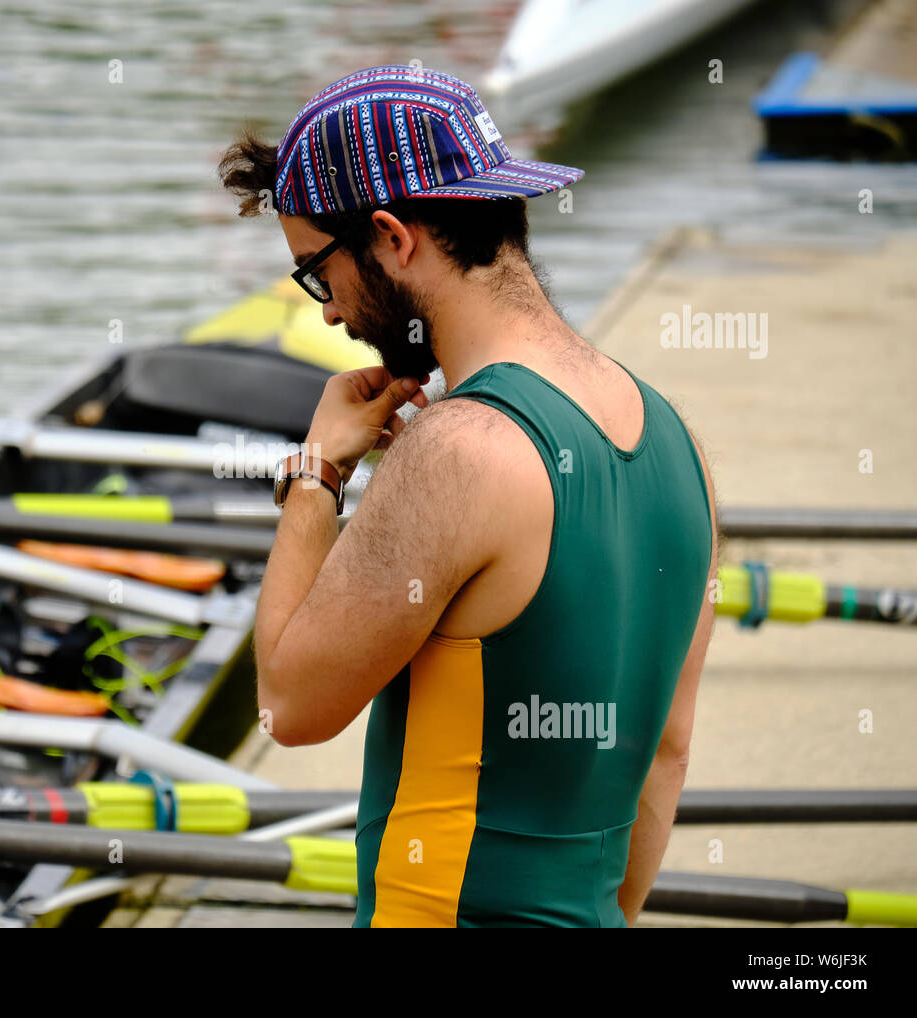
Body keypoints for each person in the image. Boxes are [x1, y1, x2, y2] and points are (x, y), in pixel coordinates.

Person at [218, 65, 717, 927]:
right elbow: (665, 754)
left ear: (391, 237)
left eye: (316, 275)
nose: (331, 315)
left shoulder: (458, 447)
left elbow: (288, 706)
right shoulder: (676, 438)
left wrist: (317, 476)